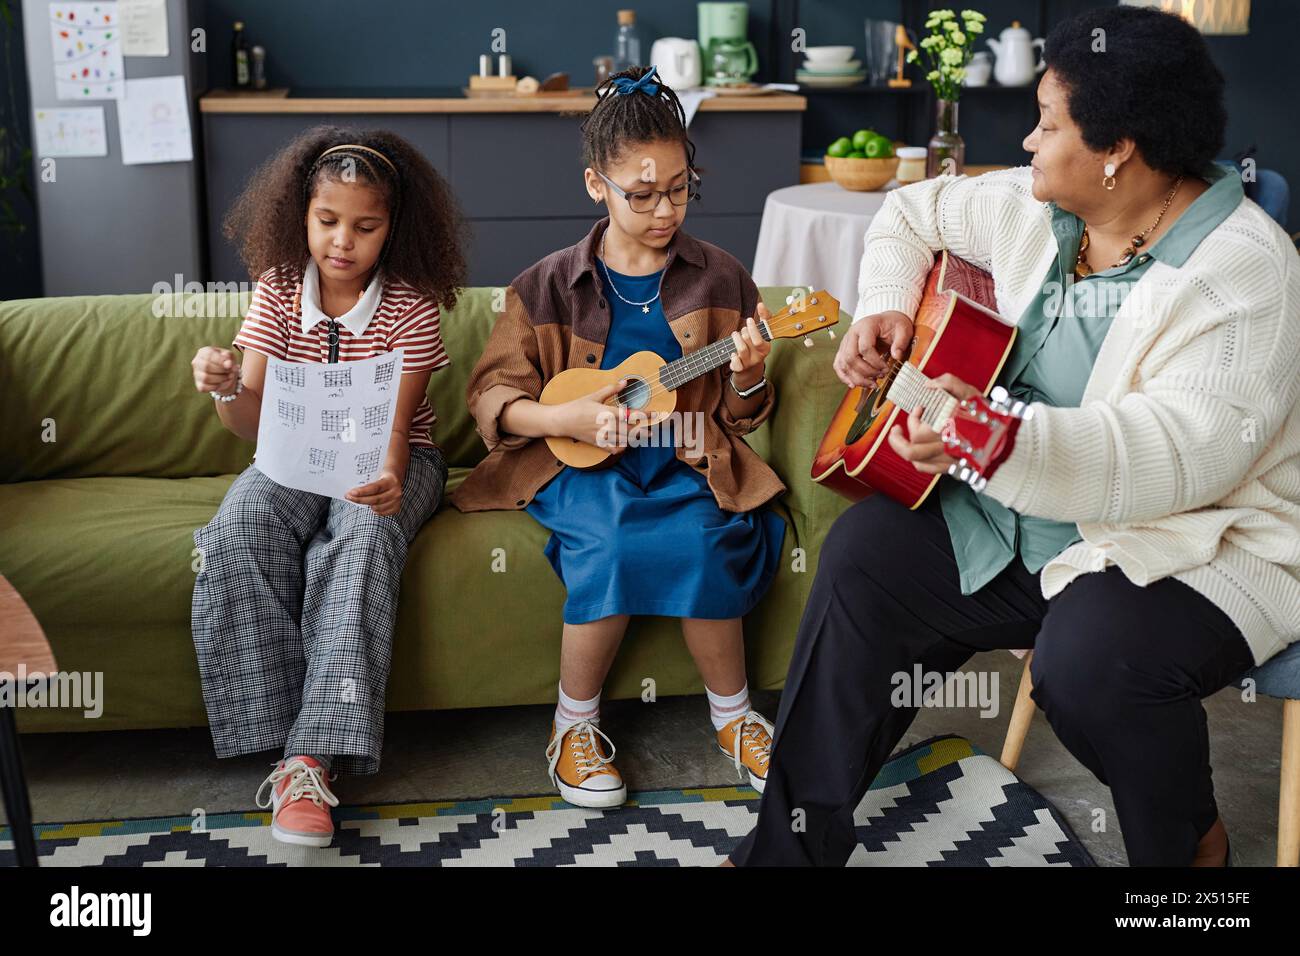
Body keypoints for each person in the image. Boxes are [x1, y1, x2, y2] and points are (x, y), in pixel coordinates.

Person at [729, 5, 1300, 866]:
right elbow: (911, 213)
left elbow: (1175, 456)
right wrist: (887, 300)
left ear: (1119, 150)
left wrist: (991, 440)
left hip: (1185, 541)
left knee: (1090, 662)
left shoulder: (1246, 270)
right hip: (1015, 519)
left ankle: (1188, 853)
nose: (1027, 143)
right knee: (866, 556)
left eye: (1047, 124)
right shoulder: (1042, 211)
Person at [451, 66, 787, 808]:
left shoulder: (723, 278)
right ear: (596, 185)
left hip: (685, 459)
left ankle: (734, 719)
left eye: (679, 187)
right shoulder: (543, 285)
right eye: (642, 194)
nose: (665, 208)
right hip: (578, 467)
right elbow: (491, 398)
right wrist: (561, 418)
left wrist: (750, 375)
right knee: (605, 541)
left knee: (707, 538)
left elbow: (740, 417)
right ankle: (573, 726)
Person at [189, 126, 467, 847]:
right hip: (290, 458)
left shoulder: (410, 303)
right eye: (327, 220)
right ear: (300, 215)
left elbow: (396, 437)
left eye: (365, 226)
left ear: (393, 229)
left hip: (390, 457)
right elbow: (247, 425)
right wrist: (223, 388)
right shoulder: (278, 290)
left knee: (363, 534)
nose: (342, 241)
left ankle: (313, 758)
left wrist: (384, 483)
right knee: (236, 529)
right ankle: (285, 744)